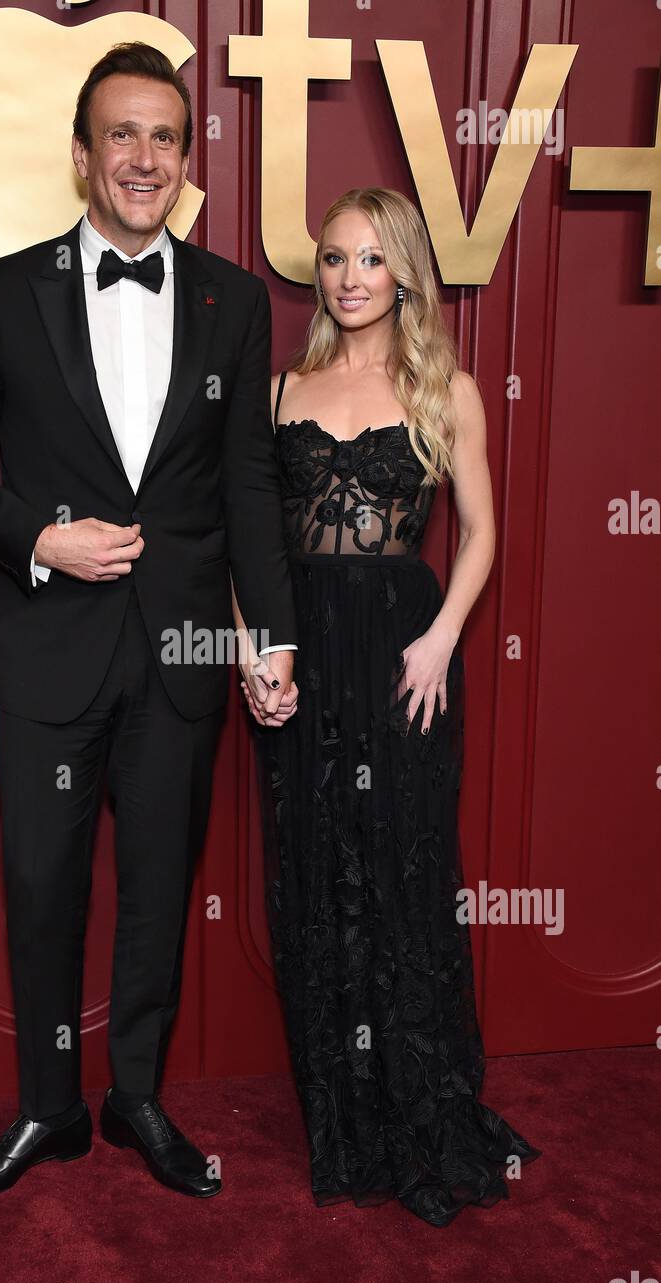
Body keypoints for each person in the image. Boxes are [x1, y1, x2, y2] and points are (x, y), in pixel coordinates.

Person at [0, 41, 297, 1201]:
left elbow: (247, 485)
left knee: (158, 887)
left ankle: (136, 1095)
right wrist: (41, 538)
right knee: (41, 885)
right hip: (48, 649)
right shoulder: (2, 293)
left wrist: (268, 634)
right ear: (81, 156)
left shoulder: (235, 300)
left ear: (185, 160)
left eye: (164, 137)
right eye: (120, 134)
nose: (143, 157)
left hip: (181, 652)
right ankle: (48, 1107)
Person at [234, 188, 540, 1227]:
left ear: (403, 270)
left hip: (406, 653)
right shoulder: (278, 390)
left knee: (405, 872)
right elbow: (249, 542)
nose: (349, 278)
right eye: (333, 258)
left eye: (370, 259)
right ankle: (344, 1120)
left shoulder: (445, 388)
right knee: (314, 874)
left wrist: (444, 634)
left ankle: (418, 1104)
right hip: (303, 655)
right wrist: (252, 648)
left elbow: (480, 530)